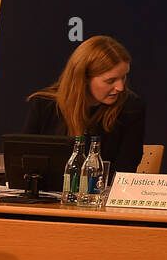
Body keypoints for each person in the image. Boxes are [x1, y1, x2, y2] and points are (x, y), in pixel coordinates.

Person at [22, 35, 145, 174]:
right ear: (84, 78)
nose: (120, 87)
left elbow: (125, 168)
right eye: (110, 81)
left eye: (123, 77)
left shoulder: (131, 108)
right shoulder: (44, 104)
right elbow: (25, 163)